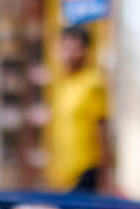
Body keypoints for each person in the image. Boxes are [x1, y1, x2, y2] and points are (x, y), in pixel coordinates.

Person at [46, 26, 112, 193]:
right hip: (63, 174)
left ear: (86, 51)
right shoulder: (62, 84)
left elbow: (101, 128)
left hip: (86, 171)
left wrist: (105, 175)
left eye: (75, 48)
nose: (69, 54)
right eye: (65, 47)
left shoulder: (94, 82)